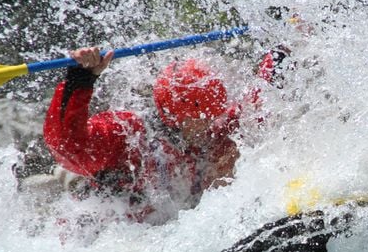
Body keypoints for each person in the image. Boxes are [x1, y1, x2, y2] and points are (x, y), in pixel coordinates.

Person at [43, 47, 248, 223]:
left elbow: (255, 106)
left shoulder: (209, 134)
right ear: (176, 116)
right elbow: (68, 145)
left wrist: (276, 58)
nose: (212, 122)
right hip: (107, 237)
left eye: (215, 114)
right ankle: (65, 180)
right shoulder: (128, 135)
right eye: (204, 117)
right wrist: (80, 81)